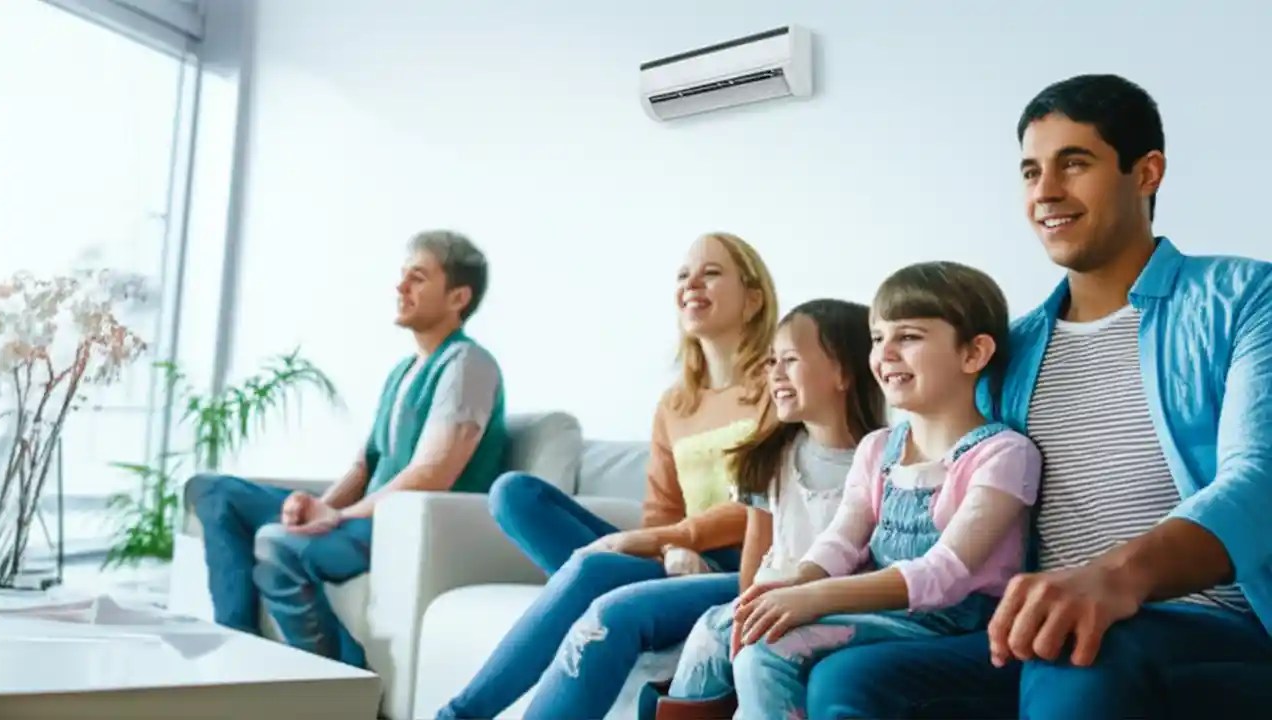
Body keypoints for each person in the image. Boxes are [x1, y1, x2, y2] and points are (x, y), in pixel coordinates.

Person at [805, 74, 1272, 720]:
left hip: (1204, 625)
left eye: (1073, 164)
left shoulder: (1244, 300)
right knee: (848, 680)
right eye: (1030, 172)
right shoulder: (1011, 348)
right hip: (1020, 627)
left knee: (1078, 652)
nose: (1045, 191)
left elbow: (1258, 479)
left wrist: (1113, 578)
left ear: (1146, 173)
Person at [437, 232, 778, 720]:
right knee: (515, 493)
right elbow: (661, 510)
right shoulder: (675, 404)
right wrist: (671, 548)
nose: (691, 285)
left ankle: (456, 716)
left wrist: (680, 539)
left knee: (594, 570)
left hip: (741, 564)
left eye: (711, 273)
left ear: (753, 298)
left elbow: (769, 502)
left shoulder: (778, 386)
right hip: (677, 557)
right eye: (683, 276)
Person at [721, 262, 1041, 719]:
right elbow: (842, 538)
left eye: (908, 336)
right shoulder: (877, 449)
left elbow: (944, 573)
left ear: (973, 353)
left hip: (960, 626)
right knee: (743, 631)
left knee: (771, 649)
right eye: (877, 337)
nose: (885, 353)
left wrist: (814, 598)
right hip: (890, 616)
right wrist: (796, 582)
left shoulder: (1003, 454)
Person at [186, 229, 508, 667]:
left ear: (458, 297)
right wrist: (318, 506)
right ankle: (238, 648)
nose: (400, 287)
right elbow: (364, 465)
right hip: (362, 516)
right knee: (211, 490)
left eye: (417, 277)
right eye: (402, 275)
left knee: (278, 544)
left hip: (403, 526)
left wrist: (338, 516)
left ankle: (341, 681)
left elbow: (432, 473)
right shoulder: (403, 371)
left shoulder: (467, 364)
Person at [663, 298, 887, 710]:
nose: (775, 374)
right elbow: (754, 563)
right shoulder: (769, 459)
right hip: (772, 598)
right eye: (772, 361)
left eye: (790, 360)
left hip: (837, 606)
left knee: (761, 645)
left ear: (843, 372)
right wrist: (747, 610)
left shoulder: (885, 459)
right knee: (710, 630)